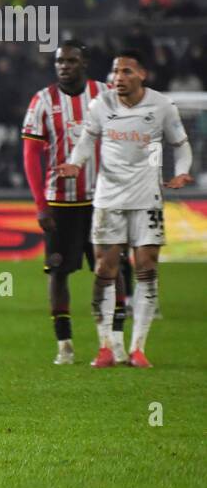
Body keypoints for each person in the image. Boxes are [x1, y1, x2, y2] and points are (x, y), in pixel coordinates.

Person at [59, 49, 192, 368]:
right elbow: (86, 141)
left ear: (142, 74)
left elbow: (180, 144)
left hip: (147, 198)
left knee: (147, 267)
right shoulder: (100, 104)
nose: (119, 77)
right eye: (116, 71)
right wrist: (76, 164)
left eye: (127, 72)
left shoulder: (161, 105)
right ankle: (105, 345)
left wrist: (182, 170)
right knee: (105, 269)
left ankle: (138, 348)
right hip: (109, 199)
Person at [21, 41, 127, 365]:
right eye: (59, 62)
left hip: (103, 200)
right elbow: (30, 155)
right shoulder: (43, 100)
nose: (64, 66)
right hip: (60, 204)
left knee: (113, 267)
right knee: (58, 271)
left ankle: (116, 341)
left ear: (84, 63)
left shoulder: (106, 94)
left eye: (71, 61)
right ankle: (64, 344)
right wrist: (41, 204)